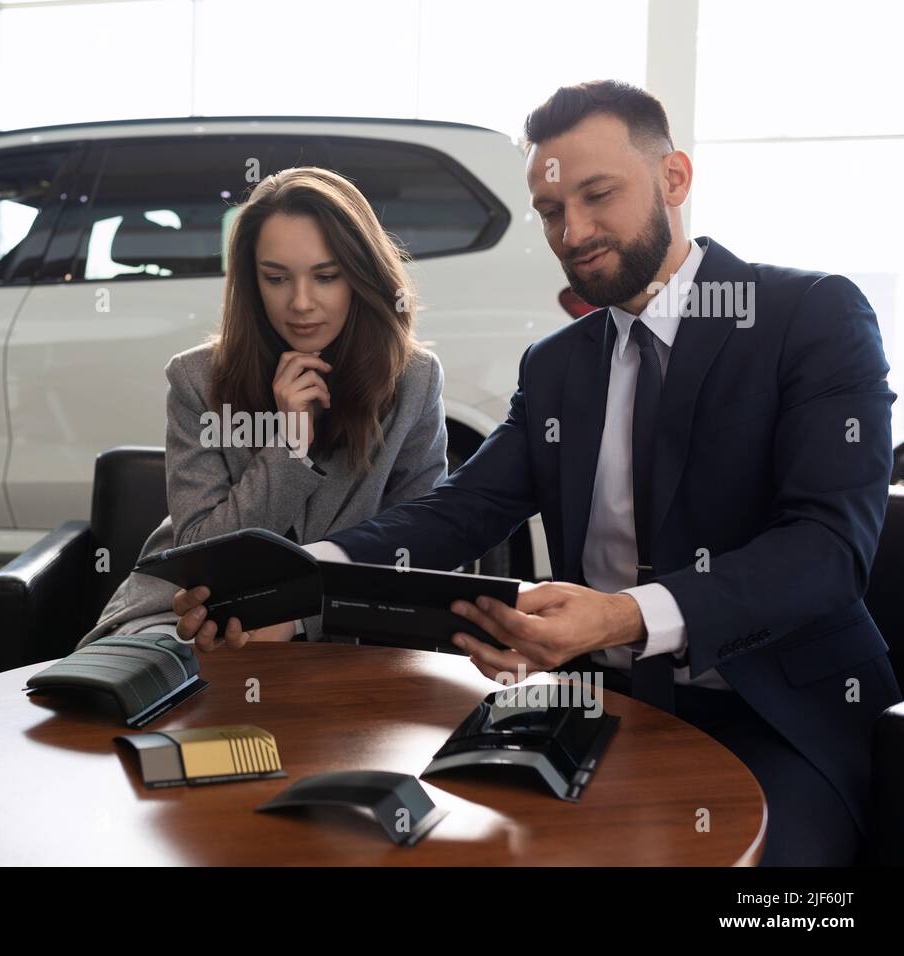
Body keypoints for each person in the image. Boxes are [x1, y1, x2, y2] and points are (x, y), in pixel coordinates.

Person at [175, 81, 900, 865]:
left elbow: (828, 551)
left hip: (780, 719)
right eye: (553, 212)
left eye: (598, 196)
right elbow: (458, 511)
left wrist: (621, 617)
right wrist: (295, 578)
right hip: (599, 708)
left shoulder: (812, 316)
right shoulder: (557, 366)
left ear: (675, 179)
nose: (575, 232)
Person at [77, 166, 449, 649]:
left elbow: (420, 552)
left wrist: (296, 621)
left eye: (326, 276)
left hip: (342, 629)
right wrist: (290, 445)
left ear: (362, 276)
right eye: (276, 278)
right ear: (252, 283)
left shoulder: (415, 381)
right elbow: (200, 553)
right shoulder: (197, 379)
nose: (301, 303)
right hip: (184, 618)